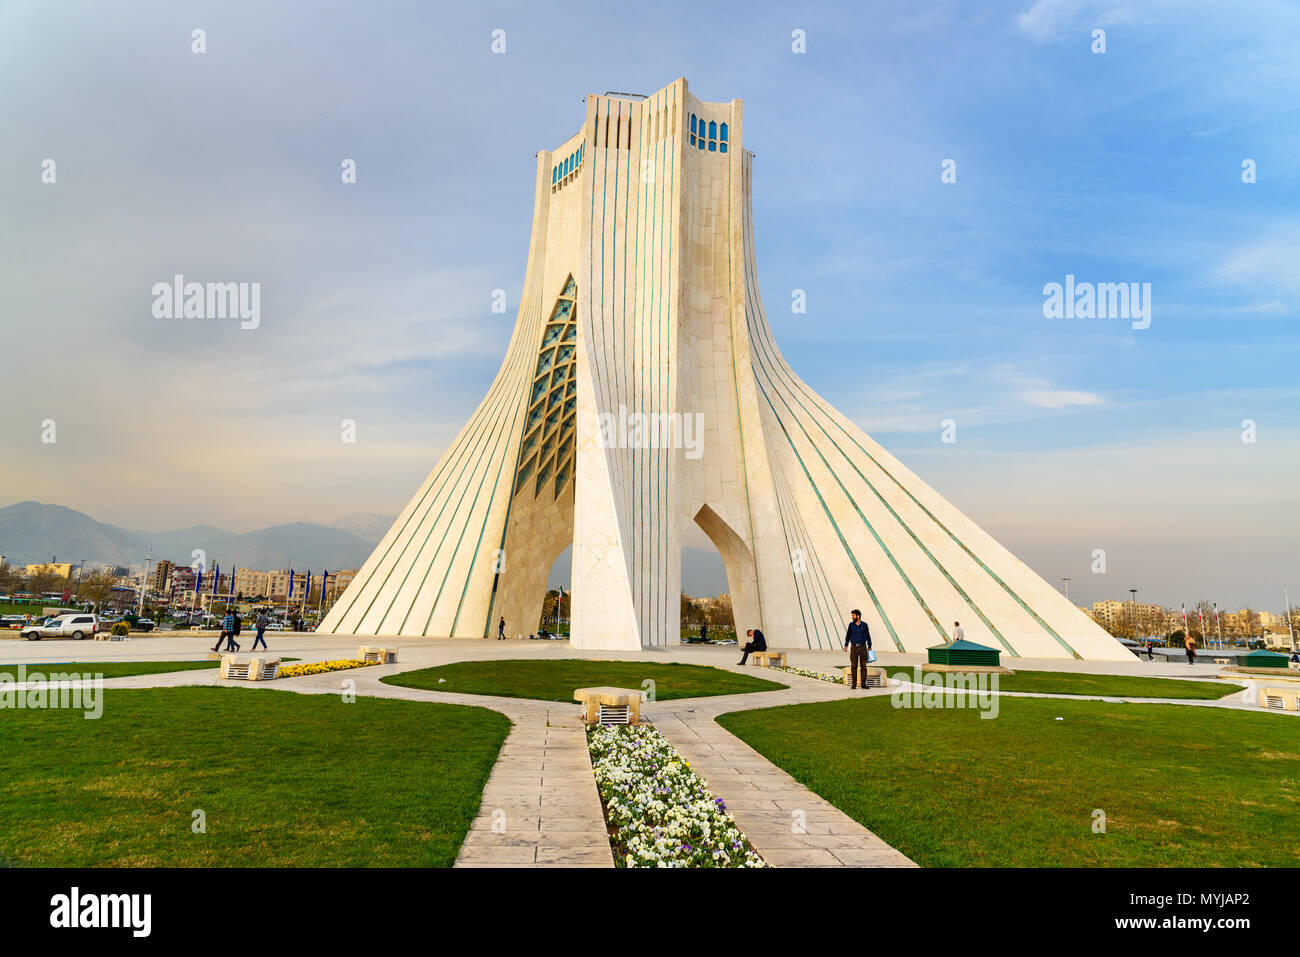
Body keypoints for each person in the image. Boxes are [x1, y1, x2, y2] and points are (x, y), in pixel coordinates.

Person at [844, 609, 873, 689]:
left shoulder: (864, 625)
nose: (852, 617)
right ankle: (854, 684)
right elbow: (848, 635)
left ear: (858, 616)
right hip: (854, 648)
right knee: (854, 666)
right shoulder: (851, 625)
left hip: (863, 647)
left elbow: (868, 636)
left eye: (853, 615)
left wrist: (869, 645)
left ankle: (863, 684)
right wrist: (846, 645)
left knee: (863, 666)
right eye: (852, 615)